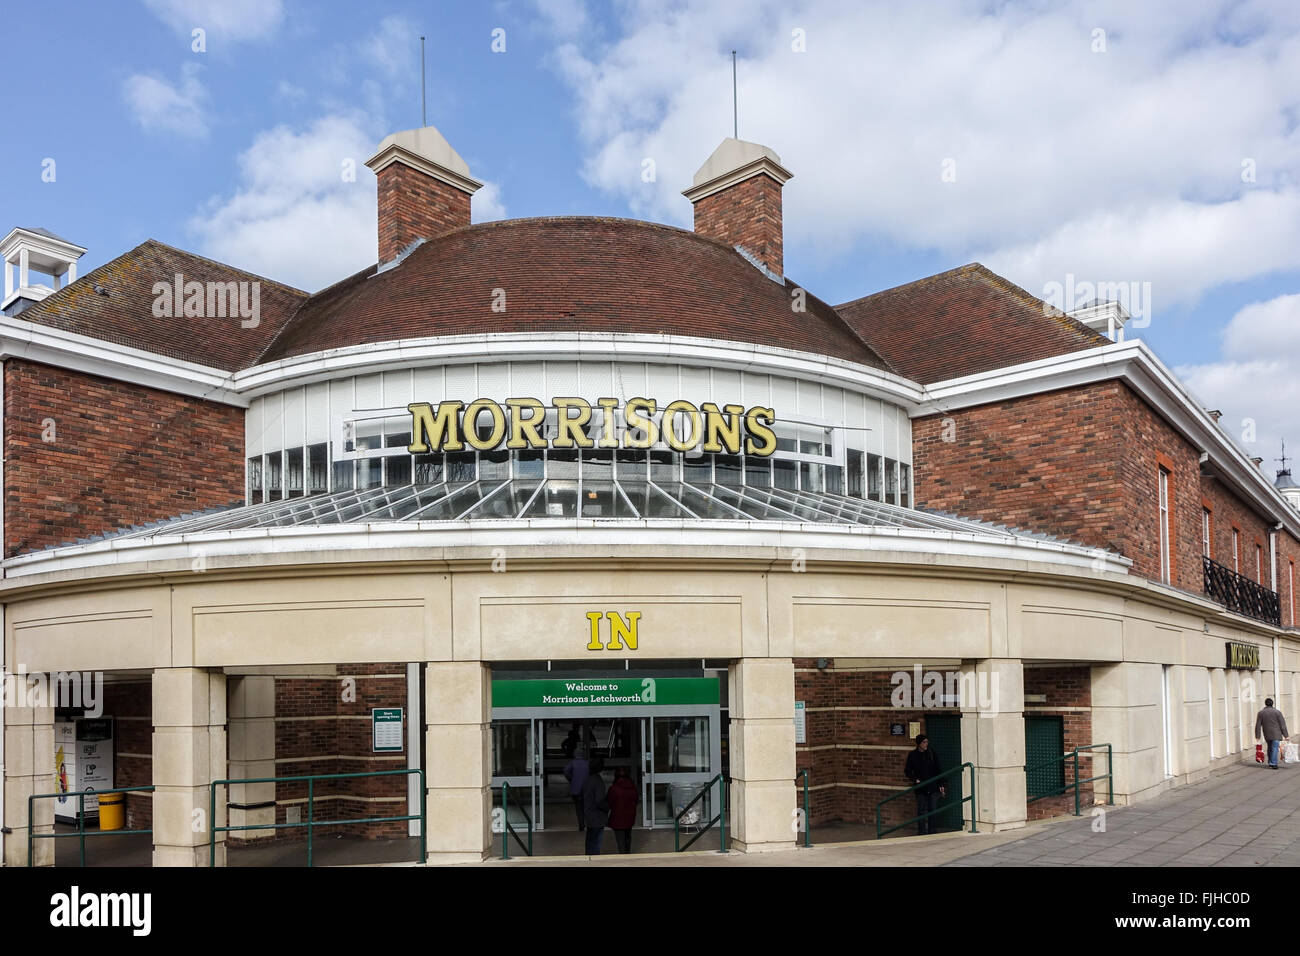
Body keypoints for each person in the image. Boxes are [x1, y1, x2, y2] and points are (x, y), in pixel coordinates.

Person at [903, 734, 947, 835]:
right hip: (921, 787)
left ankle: (932, 830)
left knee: (933, 809)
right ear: (919, 744)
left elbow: (938, 769)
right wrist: (915, 779)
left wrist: (941, 784)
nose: (926, 744)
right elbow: (908, 771)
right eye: (924, 742)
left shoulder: (931, 753)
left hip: (933, 786)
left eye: (927, 742)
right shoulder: (913, 755)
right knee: (921, 810)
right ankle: (922, 831)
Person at [606, 767, 639, 854]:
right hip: (630, 817)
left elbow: (609, 802)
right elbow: (636, 800)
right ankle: (627, 854)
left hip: (618, 818)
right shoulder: (632, 787)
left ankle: (623, 856)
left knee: (620, 841)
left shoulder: (614, 788)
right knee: (628, 837)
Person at [581, 757, 610, 854]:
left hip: (589, 814)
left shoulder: (587, 779)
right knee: (596, 842)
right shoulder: (598, 781)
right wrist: (608, 808)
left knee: (590, 840)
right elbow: (599, 800)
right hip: (597, 816)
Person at [1255, 697, 1290, 770]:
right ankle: (1273, 763)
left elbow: (1258, 725)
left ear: (1265, 704)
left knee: (1270, 747)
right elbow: (1282, 725)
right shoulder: (1277, 712)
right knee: (1274, 748)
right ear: (1272, 704)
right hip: (1276, 733)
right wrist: (1286, 735)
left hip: (1267, 733)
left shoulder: (1261, 713)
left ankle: (1270, 762)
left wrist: (1257, 736)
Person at [563, 748, 590, 830]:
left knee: (579, 808)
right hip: (586, 789)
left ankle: (581, 825)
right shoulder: (587, 763)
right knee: (587, 807)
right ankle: (588, 824)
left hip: (576, 790)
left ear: (575, 754)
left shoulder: (572, 763)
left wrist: (571, 779)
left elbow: (566, 771)